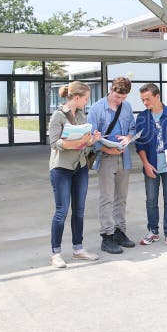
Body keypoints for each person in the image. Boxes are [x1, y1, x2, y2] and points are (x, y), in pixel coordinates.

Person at [47, 81, 101, 268]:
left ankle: (78, 249)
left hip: (81, 167)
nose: (87, 102)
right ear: (76, 98)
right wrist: (76, 142)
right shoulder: (58, 116)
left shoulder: (80, 115)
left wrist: (92, 140)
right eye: (85, 98)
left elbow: (85, 143)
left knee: (79, 210)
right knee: (61, 211)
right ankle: (55, 253)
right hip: (61, 168)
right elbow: (55, 143)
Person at [135, 83, 167, 247]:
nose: (145, 103)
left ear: (157, 96)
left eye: (147, 99)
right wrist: (146, 164)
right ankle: (153, 231)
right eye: (143, 100)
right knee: (151, 200)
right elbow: (140, 145)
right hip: (151, 164)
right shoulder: (142, 117)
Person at [88, 77, 137, 254]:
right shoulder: (96, 108)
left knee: (121, 198)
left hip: (124, 158)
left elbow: (132, 127)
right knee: (107, 198)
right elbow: (91, 138)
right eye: (117, 97)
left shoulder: (127, 106)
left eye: (123, 98)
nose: (120, 100)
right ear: (111, 89)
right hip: (106, 158)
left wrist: (128, 138)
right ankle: (106, 236)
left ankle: (119, 231)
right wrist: (109, 150)